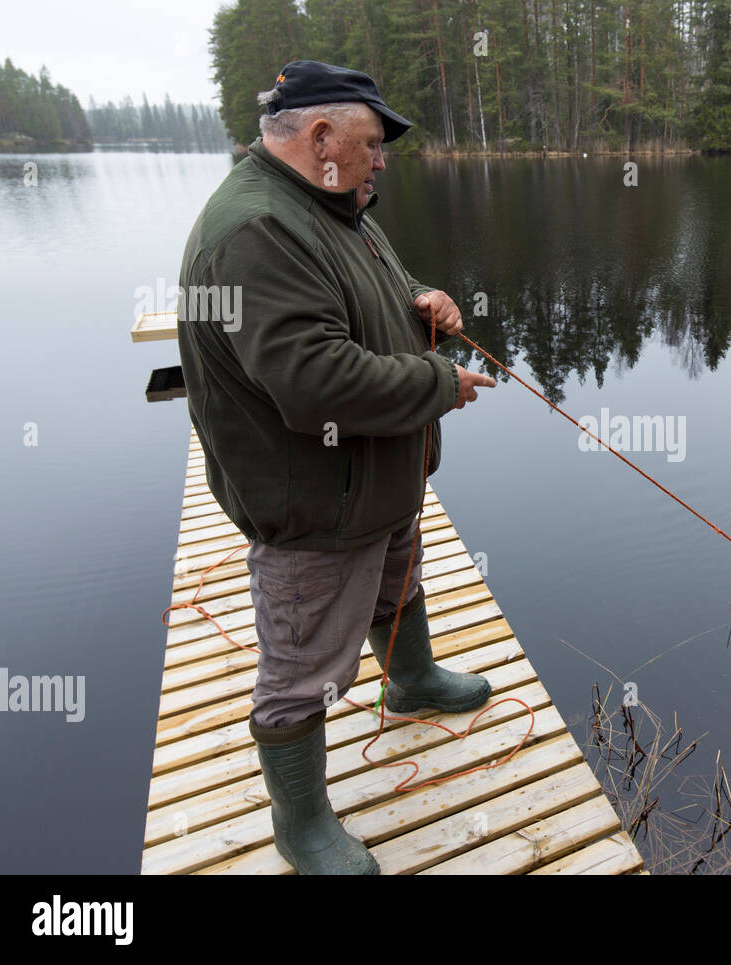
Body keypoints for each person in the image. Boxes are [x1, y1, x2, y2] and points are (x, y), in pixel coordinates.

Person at [176, 60, 498, 875]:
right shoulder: (255, 231)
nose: (382, 158)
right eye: (371, 141)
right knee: (300, 671)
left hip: (374, 481)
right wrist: (437, 383)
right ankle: (302, 827)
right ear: (321, 137)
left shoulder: (333, 201)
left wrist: (423, 298)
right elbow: (313, 380)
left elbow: (368, 291)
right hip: (314, 504)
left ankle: (412, 677)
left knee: (401, 574)